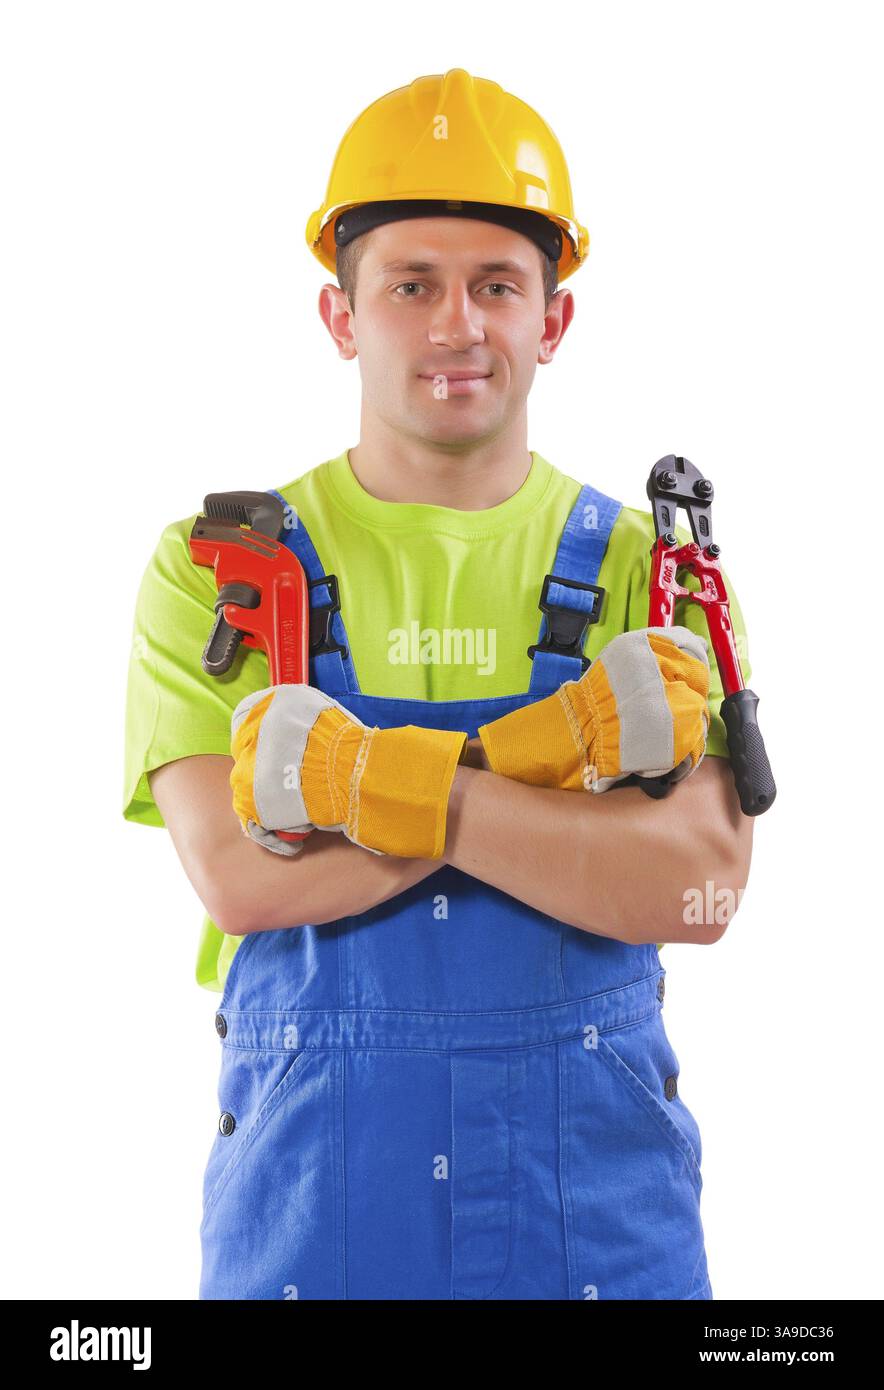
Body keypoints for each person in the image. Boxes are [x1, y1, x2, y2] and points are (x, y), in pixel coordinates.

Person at [123, 68, 754, 1300]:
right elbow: (245, 880)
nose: (456, 324)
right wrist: (560, 772)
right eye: (410, 283)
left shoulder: (653, 567)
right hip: (314, 1205)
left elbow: (699, 891)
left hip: (596, 1213)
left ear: (552, 320)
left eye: (497, 285)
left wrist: (356, 783)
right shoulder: (220, 570)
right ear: (340, 314)